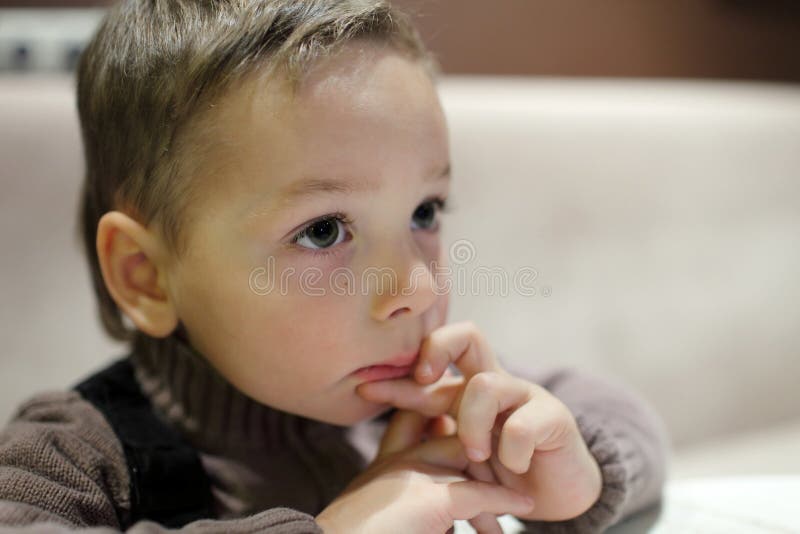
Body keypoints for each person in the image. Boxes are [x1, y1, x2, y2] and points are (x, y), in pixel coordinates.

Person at [0, 1, 670, 532]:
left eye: (425, 213)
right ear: (146, 275)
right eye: (324, 231)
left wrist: (580, 470)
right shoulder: (73, 457)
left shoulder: (416, 394)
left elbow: (623, 416)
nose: (415, 288)